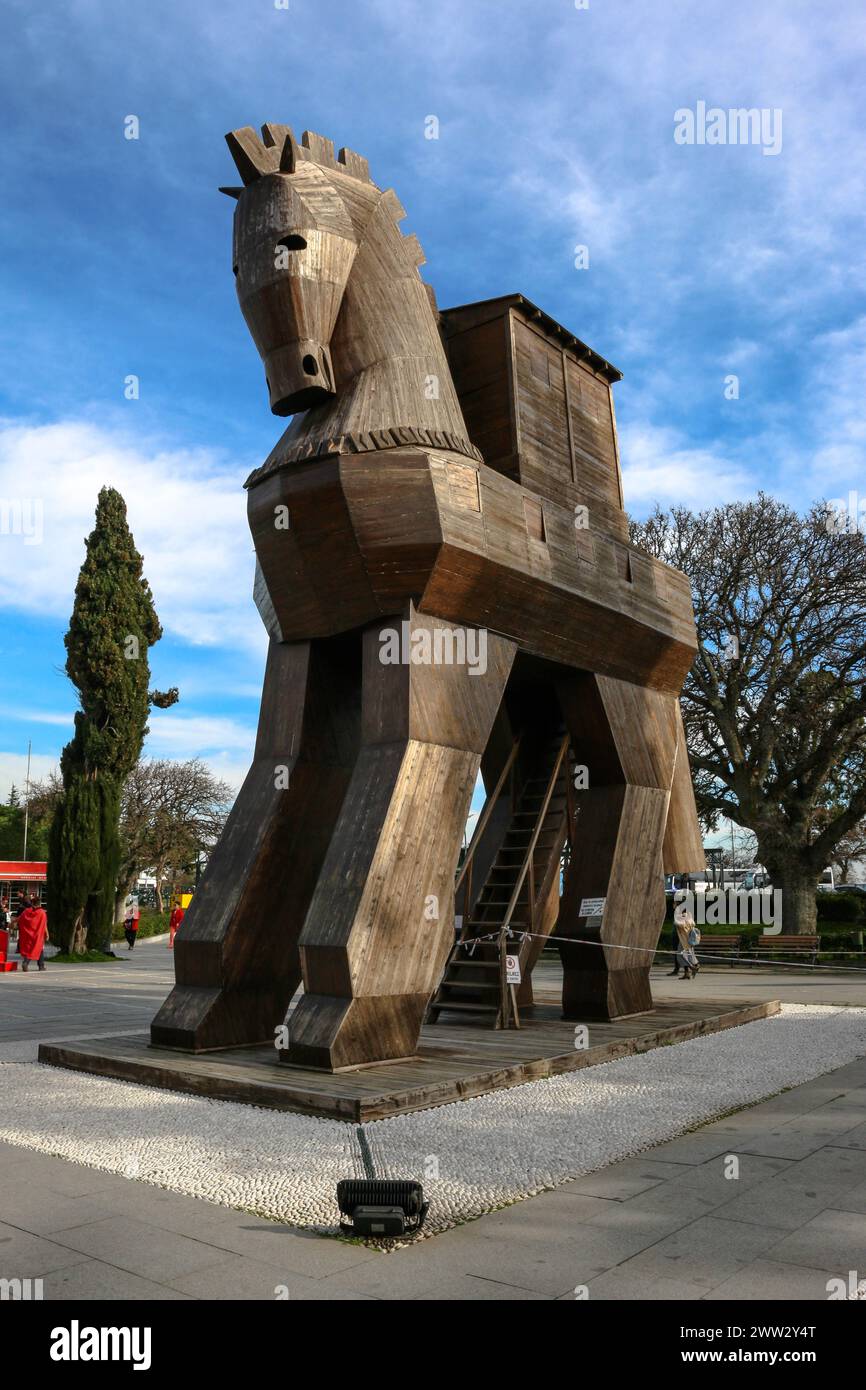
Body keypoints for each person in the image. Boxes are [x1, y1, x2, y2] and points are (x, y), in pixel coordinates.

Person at [18, 894, 49, 972]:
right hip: (37, 935)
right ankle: (27, 963)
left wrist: (12, 923)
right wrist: (47, 934)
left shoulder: (26, 911)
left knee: (35, 949)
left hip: (28, 934)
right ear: (39, 903)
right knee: (37, 948)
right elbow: (44, 924)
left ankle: (41, 965)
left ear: (32, 903)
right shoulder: (42, 913)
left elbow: (20, 919)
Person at [672, 900, 700, 981]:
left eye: (674, 904)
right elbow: (693, 923)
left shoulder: (681, 915)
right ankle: (687, 973)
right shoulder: (688, 914)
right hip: (689, 938)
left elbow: (679, 924)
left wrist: (676, 920)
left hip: (684, 939)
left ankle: (693, 967)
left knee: (680, 955)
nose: (673, 905)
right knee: (689, 955)